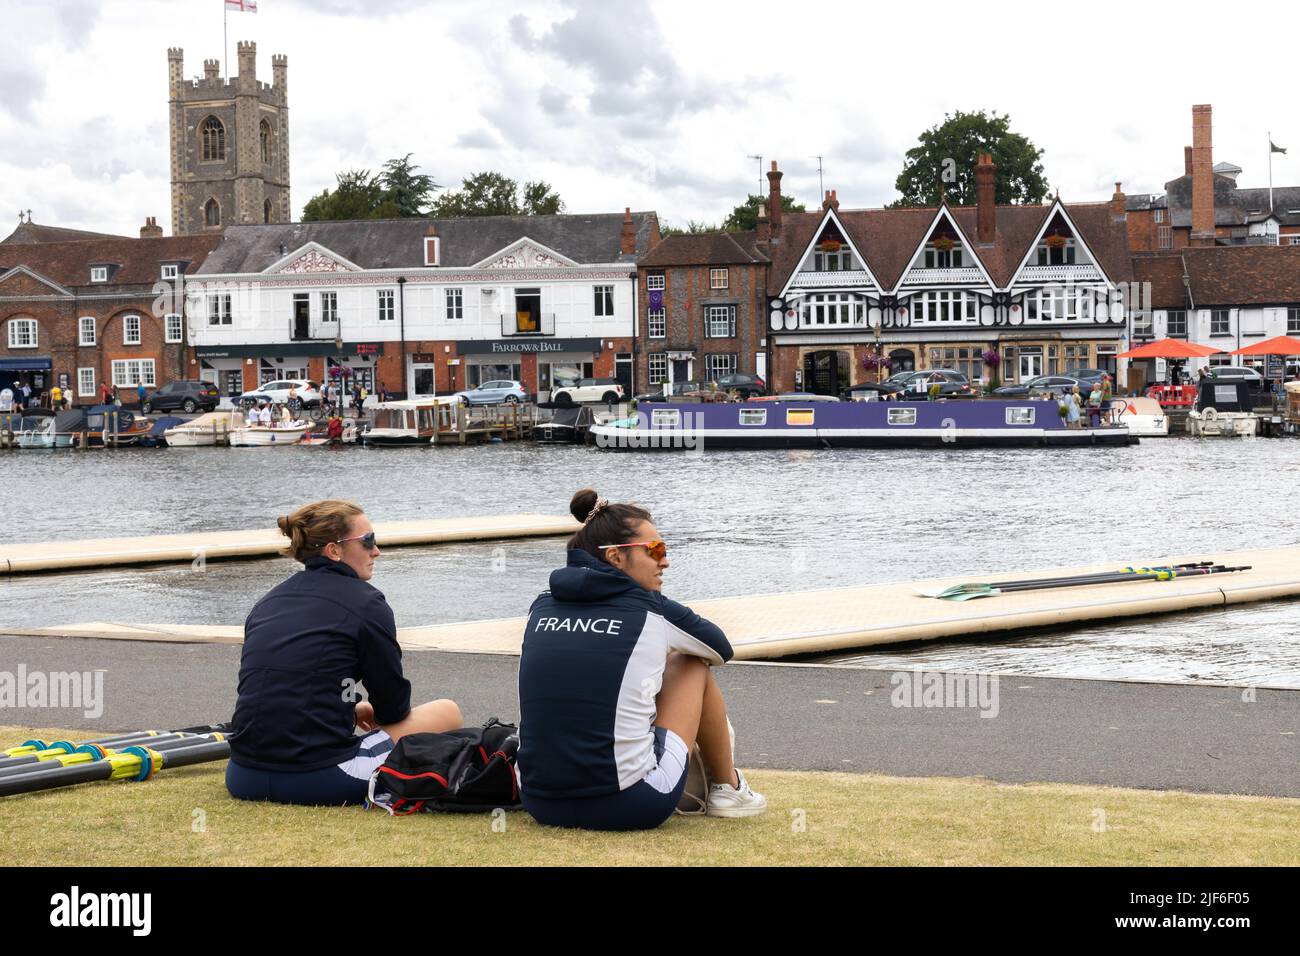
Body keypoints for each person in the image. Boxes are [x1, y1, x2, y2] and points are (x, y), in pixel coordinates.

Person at [516, 489, 767, 831]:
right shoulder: (651, 609)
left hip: (539, 801)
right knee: (691, 663)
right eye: (656, 550)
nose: (665, 561)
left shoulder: (540, 606)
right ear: (617, 557)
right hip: (629, 805)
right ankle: (729, 790)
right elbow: (719, 649)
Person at [227, 500, 462, 806]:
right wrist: (373, 710)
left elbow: (286, 684)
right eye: (368, 542)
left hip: (243, 774)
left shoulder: (268, 602)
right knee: (448, 712)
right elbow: (393, 708)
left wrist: (350, 709)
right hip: (320, 779)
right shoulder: (367, 603)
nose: (376, 551)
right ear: (334, 551)